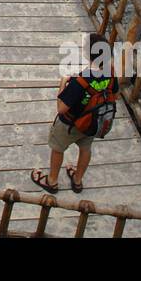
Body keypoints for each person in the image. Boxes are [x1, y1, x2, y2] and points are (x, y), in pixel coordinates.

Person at [30, 32, 119, 195]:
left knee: (58, 148)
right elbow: (115, 94)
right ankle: (77, 181)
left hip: (70, 124)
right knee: (86, 149)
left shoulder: (80, 81)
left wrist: (63, 83)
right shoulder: (111, 73)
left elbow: (61, 108)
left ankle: (52, 181)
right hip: (92, 122)